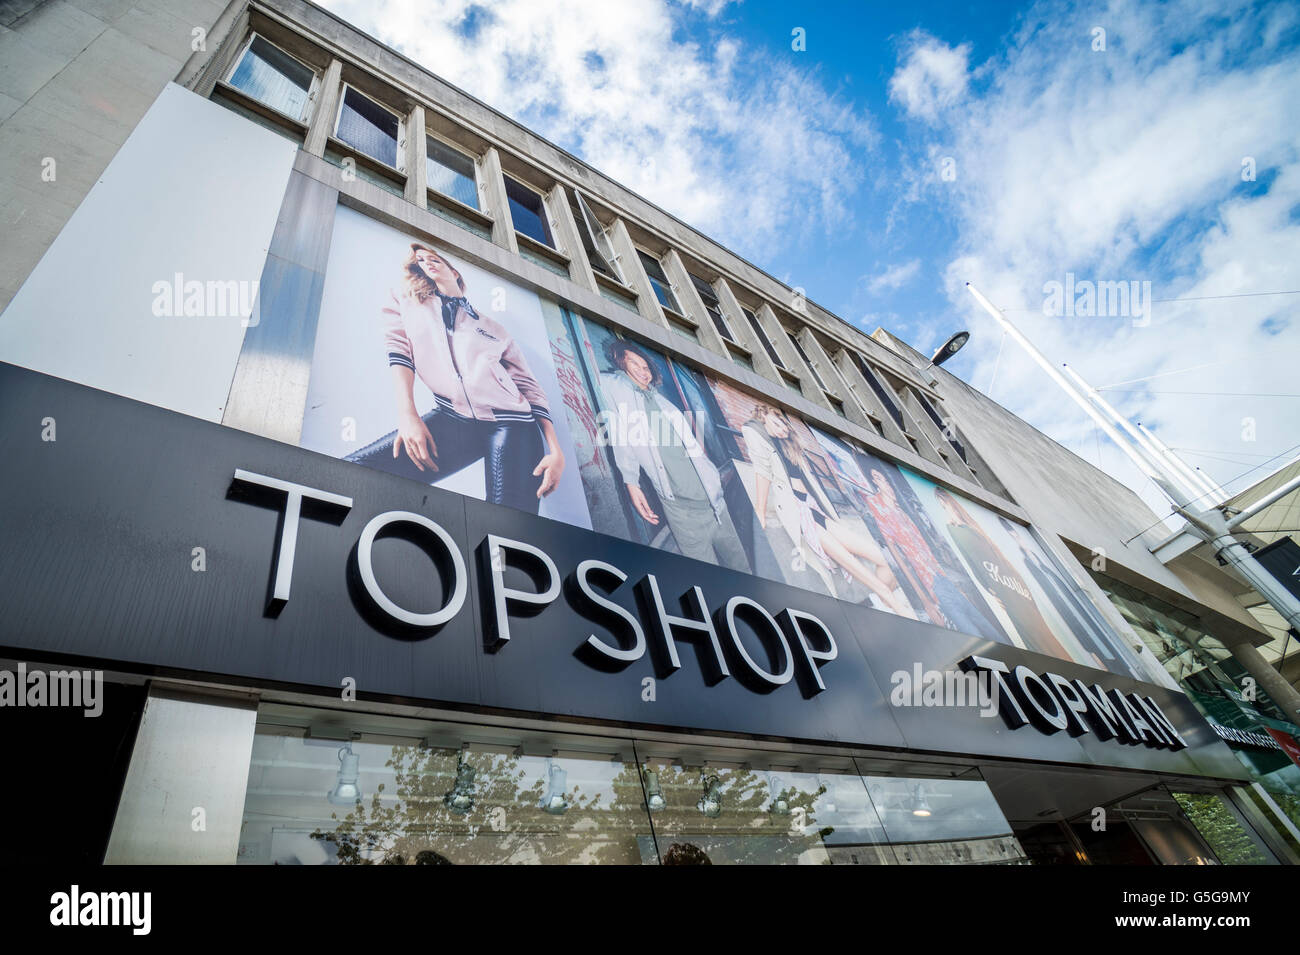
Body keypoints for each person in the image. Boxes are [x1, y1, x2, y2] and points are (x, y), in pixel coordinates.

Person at [346, 243, 564, 514]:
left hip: (514, 424)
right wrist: (407, 415)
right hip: (454, 419)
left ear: (454, 271)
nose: (428, 262)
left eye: (434, 257)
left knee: (509, 526)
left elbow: (530, 388)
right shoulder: (405, 301)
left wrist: (555, 451)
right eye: (422, 261)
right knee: (354, 470)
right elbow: (399, 352)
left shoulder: (494, 329)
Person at [741, 404, 914, 617]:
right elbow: (762, 472)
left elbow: (808, 478)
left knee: (884, 560)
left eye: (784, 424)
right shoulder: (757, 436)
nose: (783, 428)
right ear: (763, 416)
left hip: (816, 510)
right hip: (801, 516)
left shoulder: (789, 447)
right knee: (854, 567)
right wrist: (759, 510)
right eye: (777, 423)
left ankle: (878, 599)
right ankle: (898, 609)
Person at [598, 340, 749, 572]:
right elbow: (621, 438)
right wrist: (631, 481)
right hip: (682, 513)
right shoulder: (616, 388)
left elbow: (694, 451)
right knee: (710, 579)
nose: (642, 370)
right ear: (621, 364)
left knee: (742, 569)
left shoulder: (664, 403)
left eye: (646, 366)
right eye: (634, 363)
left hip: (715, 504)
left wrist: (714, 480)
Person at [863, 467, 1005, 641]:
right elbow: (898, 557)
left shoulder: (903, 513)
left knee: (989, 629)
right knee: (974, 636)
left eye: (883, 477)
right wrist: (925, 600)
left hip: (944, 580)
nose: (882, 481)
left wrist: (956, 587)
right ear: (874, 483)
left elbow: (927, 552)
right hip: (933, 588)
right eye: (876, 478)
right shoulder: (879, 508)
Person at [996, 516, 1146, 679]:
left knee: (1110, 652)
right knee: (1099, 652)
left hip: (1085, 617)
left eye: (1016, 536)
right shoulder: (1028, 563)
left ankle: (1123, 671)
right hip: (1072, 618)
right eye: (1012, 537)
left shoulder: (1042, 562)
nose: (1017, 540)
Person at [932, 486, 1070, 660]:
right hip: (1004, 588)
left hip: (1013, 586)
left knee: (1041, 634)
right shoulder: (957, 531)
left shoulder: (972, 530)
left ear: (952, 504)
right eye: (942, 508)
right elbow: (976, 567)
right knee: (1031, 636)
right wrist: (993, 590)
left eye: (945, 506)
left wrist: (1000, 588)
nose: (946, 512)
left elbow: (997, 561)